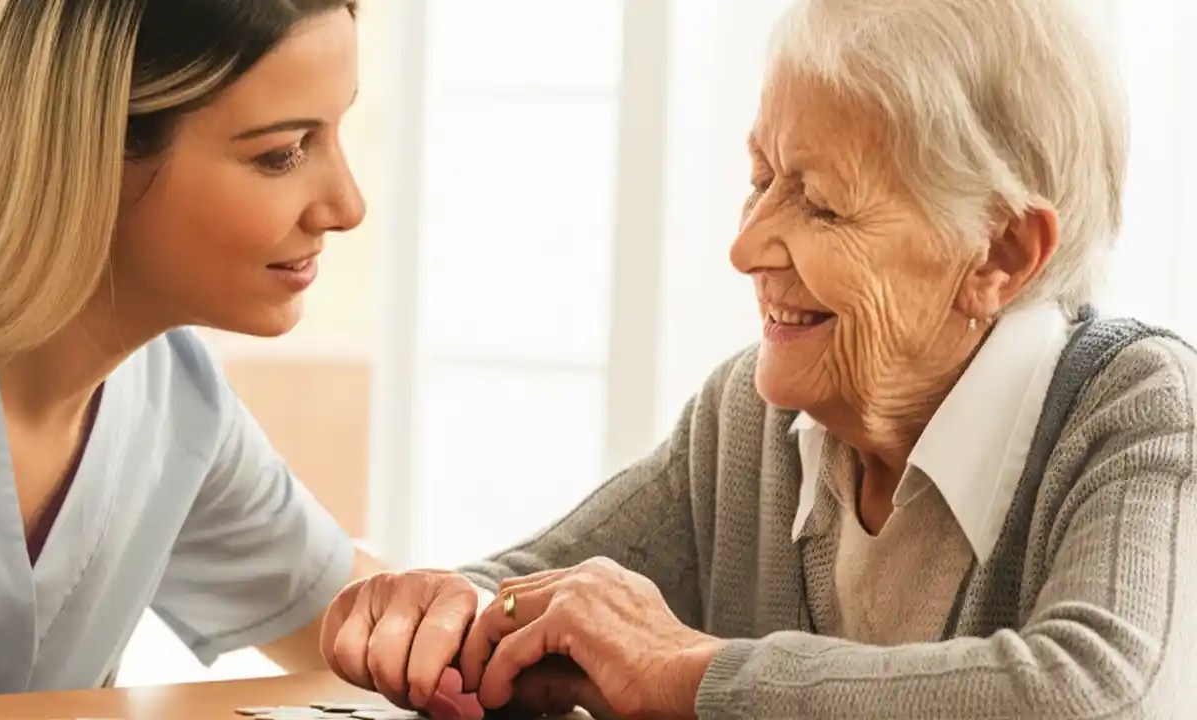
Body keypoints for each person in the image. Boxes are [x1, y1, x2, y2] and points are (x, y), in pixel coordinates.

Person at [320, 0, 1197, 717]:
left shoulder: (1135, 405)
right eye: (760, 178)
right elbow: (548, 591)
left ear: (1001, 255)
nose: (745, 247)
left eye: (820, 205)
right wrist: (447, 612)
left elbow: (1090, 695)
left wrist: (689, 674)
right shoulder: (753, 419)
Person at [0, 0, 394, 701]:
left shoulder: (177, 401)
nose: (347, 206)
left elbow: (370, 625)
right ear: (87, 145)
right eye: (282, 153)